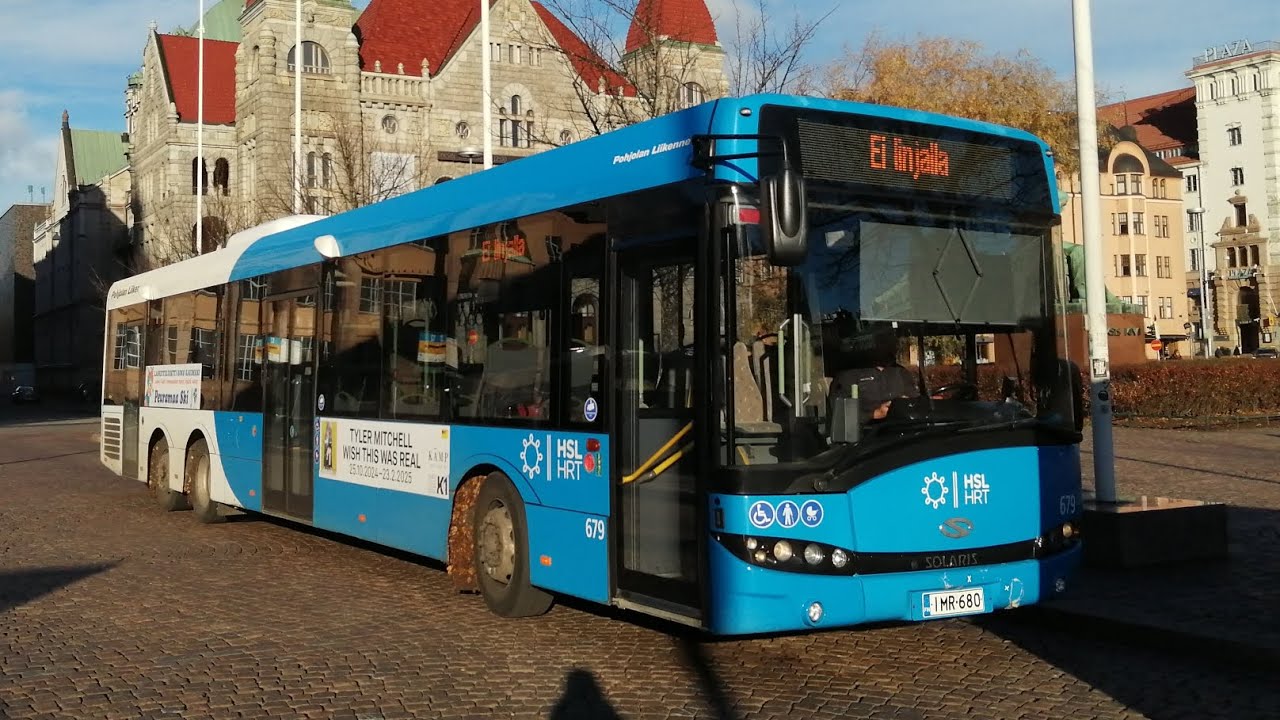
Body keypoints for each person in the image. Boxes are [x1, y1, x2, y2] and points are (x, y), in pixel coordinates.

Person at [830, 330, 918, 422]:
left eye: (894, 343)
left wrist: (904, 402)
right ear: (873, 344)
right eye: (885, 342)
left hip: (903, 431)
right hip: (864, 433)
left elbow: (915, 402)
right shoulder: (849, 374)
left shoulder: (902, 373)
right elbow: (839, 413)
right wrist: (874, 414)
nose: (892, 347)